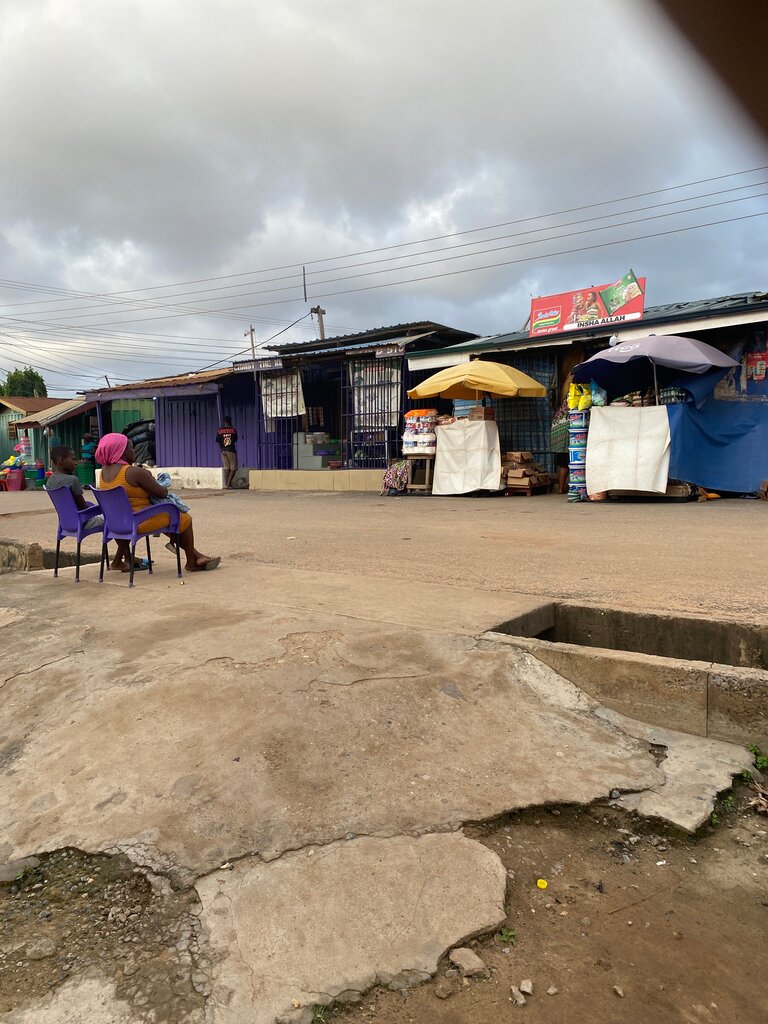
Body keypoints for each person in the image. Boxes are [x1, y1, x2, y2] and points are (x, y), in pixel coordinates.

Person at [95, 433, 220, 573]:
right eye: (131, 448)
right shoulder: (133, 472)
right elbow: (162, 493)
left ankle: (197, 555)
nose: (134, 451)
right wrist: (150, 477)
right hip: (139, 520)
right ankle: (191, 562)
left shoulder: (103, 473)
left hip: (117, 522)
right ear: (122, 451)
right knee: (183, 518)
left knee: (167, 518)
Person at [46, 446, 104, 529]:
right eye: (73, 459)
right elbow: (83, 507)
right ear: (61, 461)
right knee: (112, 518)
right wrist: (101, 508)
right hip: (82, 522)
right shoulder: (72, 480)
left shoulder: (50, 481)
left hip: (66, 523)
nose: (76, 462)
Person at [216, 416, 238, 488]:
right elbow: (235, 439)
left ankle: (226, 484)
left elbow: (218, 441)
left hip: (223, 451)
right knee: (233, 468)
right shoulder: (233, 430)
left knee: (226, 467)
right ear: (230, 422)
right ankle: (229, 483)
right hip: (231, 450)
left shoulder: (220, 430)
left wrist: (222, 449)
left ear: (224, 422)